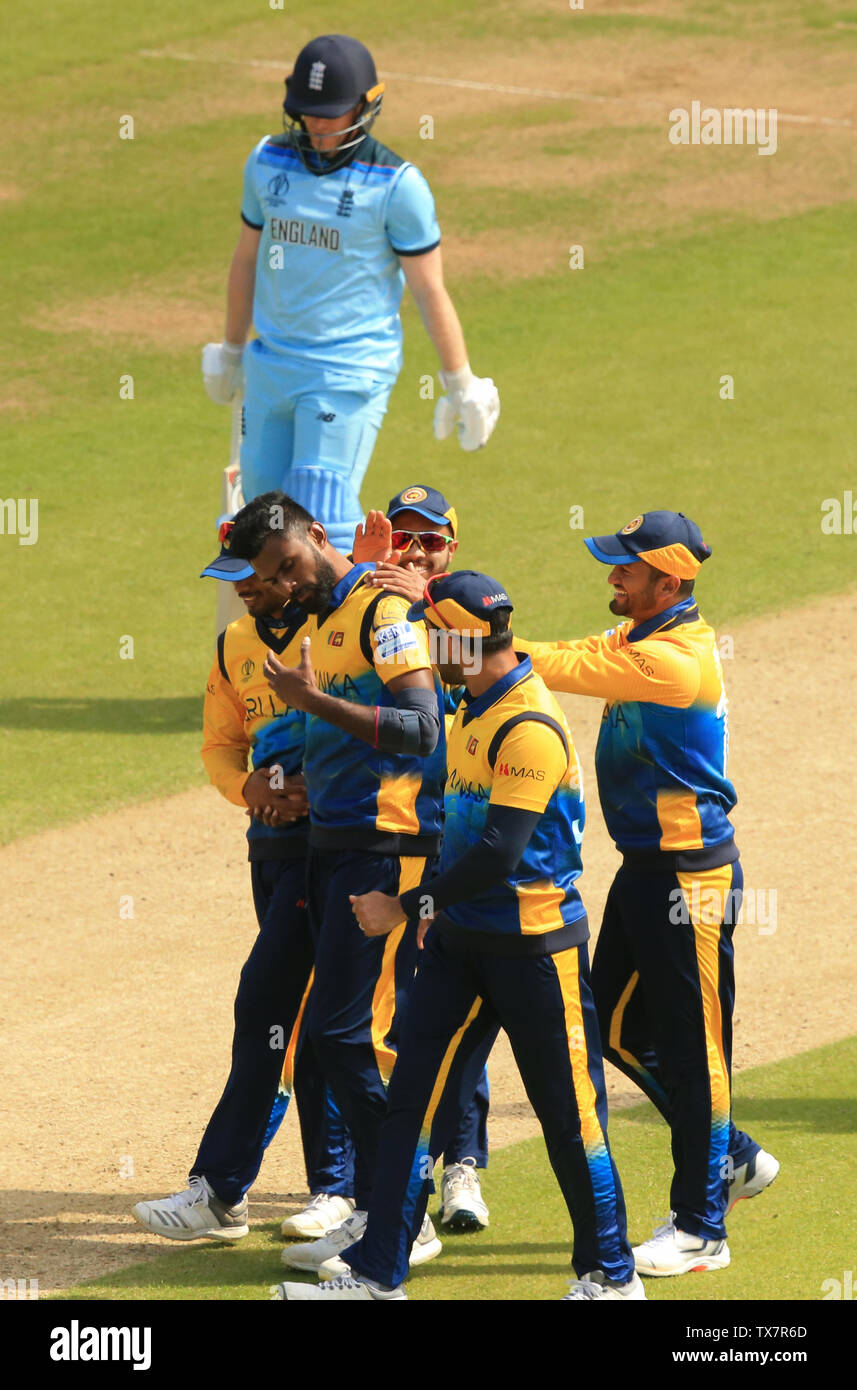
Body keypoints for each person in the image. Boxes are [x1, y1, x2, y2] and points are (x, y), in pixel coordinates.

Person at [271, 571, 642, 1301]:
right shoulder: (468, 704)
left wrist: (404, 906)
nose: (418, 644)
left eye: (428, 631)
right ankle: (378, 1276)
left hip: (535, 952)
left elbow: (498, 854)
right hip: (459, 944)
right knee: (409, 1104)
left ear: (461, 640)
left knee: (570, 1119)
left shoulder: (528, 726)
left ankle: (610, 1278)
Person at [515, 510, 779, 1278]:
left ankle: (701, 1230)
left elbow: (549, 668)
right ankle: (730, 1156)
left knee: (699, 1055)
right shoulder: (637, 642)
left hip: (689, 878)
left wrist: (467, 636)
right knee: (615, 1029)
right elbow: (563, 652)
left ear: (668, 582)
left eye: (624, 569)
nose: (611, 577)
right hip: (645, 869)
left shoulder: (673, 661)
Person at [227, 489, 450, 1274]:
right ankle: (372, 1206)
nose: (281, 583)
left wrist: (314, 699)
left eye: (287, 564)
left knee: (346, 1034)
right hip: (332, 844)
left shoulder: (381, 613)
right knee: (328, 1035)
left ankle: (405, 1210)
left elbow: (422, 728)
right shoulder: (321, 619)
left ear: (317, 537)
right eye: (267, 575)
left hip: (385, 848)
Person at [132, 531, 355, 1243]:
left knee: (298, 1011)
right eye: (233, 576)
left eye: (254, 575)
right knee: (288, 1015)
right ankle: (299, 1192)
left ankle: (303, 1188)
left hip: (336, 848)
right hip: (273, 849)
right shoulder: (233, 642)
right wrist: (248, 785)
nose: (243, 587)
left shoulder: (336, 625)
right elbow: (218, 744)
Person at [201, 34, 500, 551]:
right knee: (259, 523)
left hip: (348, 368)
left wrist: (461, 381)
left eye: (331, 114)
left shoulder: (396, 185)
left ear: (367, 105)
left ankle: (338, 633)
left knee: (318, 522)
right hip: (271, 363)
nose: (317, 125)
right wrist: (230, 349)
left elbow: (430, 290)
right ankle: (263, 635)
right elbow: (246, 258)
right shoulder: (267, 161)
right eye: (308, 112)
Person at [363, 484, 491, 1232]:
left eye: (431, 540)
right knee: (389, 1018)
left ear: (452, 544)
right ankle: (375, 1174)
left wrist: (432, 598)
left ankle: (461, 1169)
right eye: (402, 540)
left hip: (457, 848)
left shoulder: (463, 611)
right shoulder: (367, 612)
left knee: (462, 1012)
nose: (415, 552)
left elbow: (479, 683)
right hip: (383, 843)